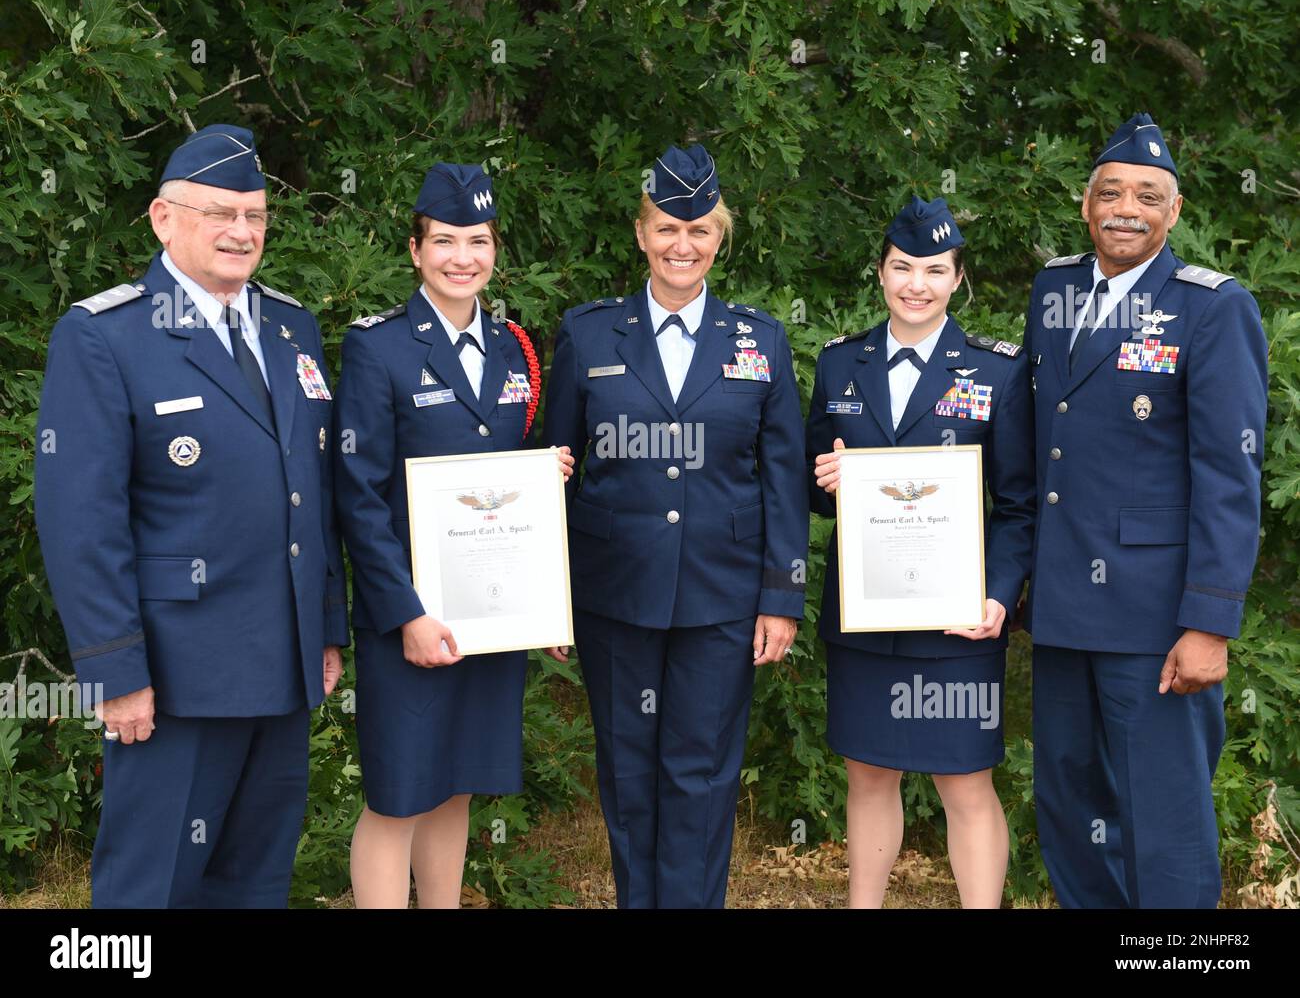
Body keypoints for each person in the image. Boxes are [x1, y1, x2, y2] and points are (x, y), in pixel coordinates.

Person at [34, 124, 349, 908]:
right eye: (219, 213)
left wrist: (328, 628)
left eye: (255, 215)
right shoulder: (106, 336)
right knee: (151, 887)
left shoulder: (290, 327)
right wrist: (114, 669)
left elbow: (313, 493)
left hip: (284, 665)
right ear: (163, 219)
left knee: (256, 881)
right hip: (174, 677)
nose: (241, 232)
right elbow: (82, 519)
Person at [542, 143, 808, 908]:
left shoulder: (761, 341)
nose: (681, 246)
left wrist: (781, 596)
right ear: (640, 234)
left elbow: (784, 478)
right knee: (627, 768)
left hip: (720, 598)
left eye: (698, 232)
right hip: (612, 593)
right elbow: (556, 470)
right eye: (666, 229)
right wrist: (546, 592)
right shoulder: (589, 335)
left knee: (702, 771)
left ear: (719, 239)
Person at [1023, 113, 1269, 908]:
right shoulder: (1054, 288)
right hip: (1059, 608)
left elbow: (1230, 475)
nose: (1127, 207)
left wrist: (1210, 623)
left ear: (1176, 210)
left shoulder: (1212, 307)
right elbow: (1037, 442)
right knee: (1068, 808)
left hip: (1155, 618)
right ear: (1086, 205)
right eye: (1111, 192)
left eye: (1147, 195)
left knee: (1162, 821)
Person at [333, 163, 573, 908]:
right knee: (398, 795)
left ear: (495, 249)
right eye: (444, 241)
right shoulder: (378, 349)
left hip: (491, 616)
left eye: (477, 240)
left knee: (456, 786)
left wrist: (546, 601)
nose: (461, 256)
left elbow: (516, 488)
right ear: (415, 250)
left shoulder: (514, 349)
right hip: (409, 614)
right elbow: (358, 494)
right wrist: (404, 614)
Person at [807, 197, 1035, 908]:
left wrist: (997, 595)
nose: (916, 284)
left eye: (934, 270)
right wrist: (827, 480)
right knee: (868, 774)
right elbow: (812, 493)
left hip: (956, 619)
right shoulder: (840, 364)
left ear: (957, 279)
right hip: (866, 614)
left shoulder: (998, 372)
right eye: (902, 267)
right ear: (880, 274)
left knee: (964, 780)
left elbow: (1022, 504)